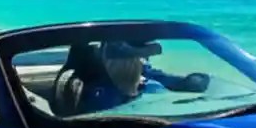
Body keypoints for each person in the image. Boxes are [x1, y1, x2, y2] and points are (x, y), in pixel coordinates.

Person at [76, 40, 209, 113]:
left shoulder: (150, 81)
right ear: (104, 60)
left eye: (136, 59)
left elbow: (189, 85)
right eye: (121, 58)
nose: (130, 64)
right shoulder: (100, 95)